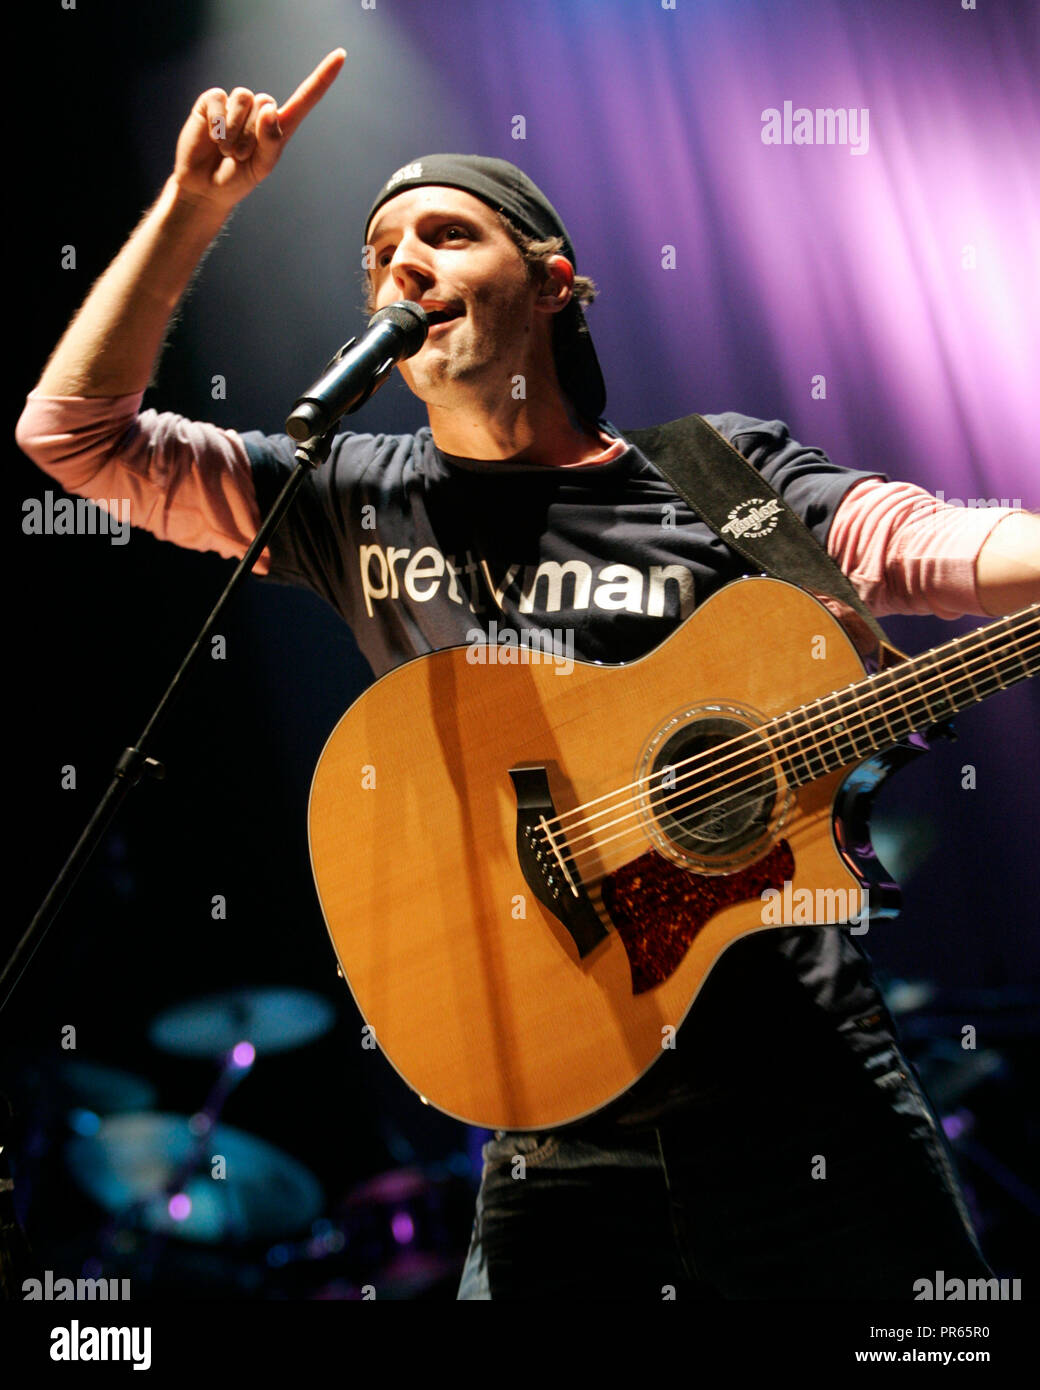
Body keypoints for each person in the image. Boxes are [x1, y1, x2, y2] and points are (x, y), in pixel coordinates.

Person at [15, 51, 1039, 1300]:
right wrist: (194, 208)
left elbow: (937, 545)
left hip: (807, 1094)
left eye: (446, 234)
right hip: (551, 1116)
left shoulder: (715, 476)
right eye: (380, 250)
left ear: (555, 284)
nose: (402, 264)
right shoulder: (352, 495)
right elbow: (74, 437)